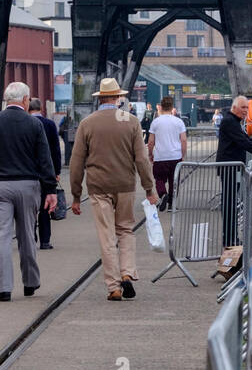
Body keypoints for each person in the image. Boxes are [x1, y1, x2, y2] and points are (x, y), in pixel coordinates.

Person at [69, 77, 158, 302]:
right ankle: (127, 272)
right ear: (119, 98)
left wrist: (76, 195)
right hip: (126, 186)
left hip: (99, 188)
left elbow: (77, 162)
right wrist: (149, 188)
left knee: (106, 236)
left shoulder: (87, 123)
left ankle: (114, 287)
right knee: (126, 231)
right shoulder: (130, 121)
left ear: (100, 98)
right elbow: (142, 158)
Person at [0, 82, 58, 300]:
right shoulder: (34, 124)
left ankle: (3, 288)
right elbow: (45, 159)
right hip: (27, 185)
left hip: (1, 186)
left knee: (2, 236)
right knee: (26, 235)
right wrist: (50, 189)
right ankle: (30, 283)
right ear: (25, 100)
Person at [215, 95, 252, 246]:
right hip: (229, 168)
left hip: (233, 168)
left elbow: (247, 140)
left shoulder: (234, 122)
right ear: (234, 107)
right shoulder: (230, 122)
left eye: (247, 108)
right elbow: (243, 142)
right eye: (243, 107)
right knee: (229, 204)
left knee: (231, 204)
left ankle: (231, 237)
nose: (245, 111)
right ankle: (229, 239)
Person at [28, 99, 62, 250]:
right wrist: (57, 171)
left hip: (29, 172)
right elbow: (55, 149)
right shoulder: (49, 124)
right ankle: (45, 241)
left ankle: (31, 237)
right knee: (45, 207)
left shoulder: (25, 123)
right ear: (41, 108)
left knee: (29, 209)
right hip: (47, 172)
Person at [147, 95, 187, 212]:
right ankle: (171, 205)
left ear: (161, 106)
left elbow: (150, 141)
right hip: (175, 156)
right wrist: (183, 154)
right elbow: (183, 140)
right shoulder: (179, 122)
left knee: (159, 179)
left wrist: (150, 154)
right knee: (174, 181)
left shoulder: (155, 122)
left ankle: (162, 193)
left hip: (160, 156)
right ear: (172, 107)